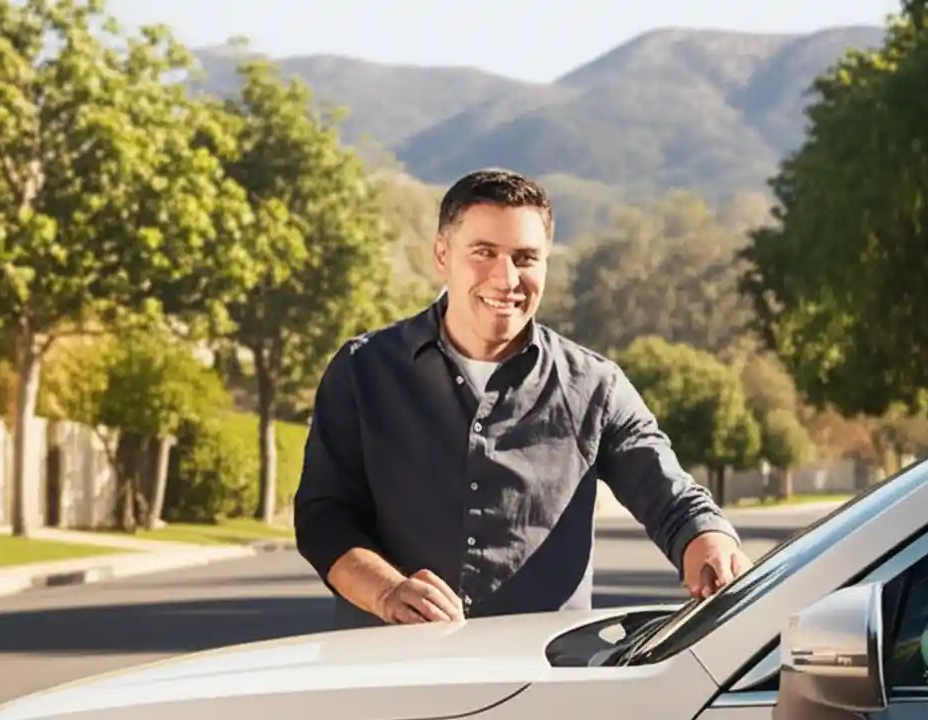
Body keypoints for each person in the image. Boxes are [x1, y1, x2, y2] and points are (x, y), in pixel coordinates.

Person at [294, 168, 751, 630]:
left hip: (541, 684)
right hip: (390, 677)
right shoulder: (363, 370)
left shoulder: (594, 386)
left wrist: (709, 541)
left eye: (526, 257)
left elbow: (672, 499)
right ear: (441, 255)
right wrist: (387, 591)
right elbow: (323, 517)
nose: (506, 278)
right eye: (484, 253)